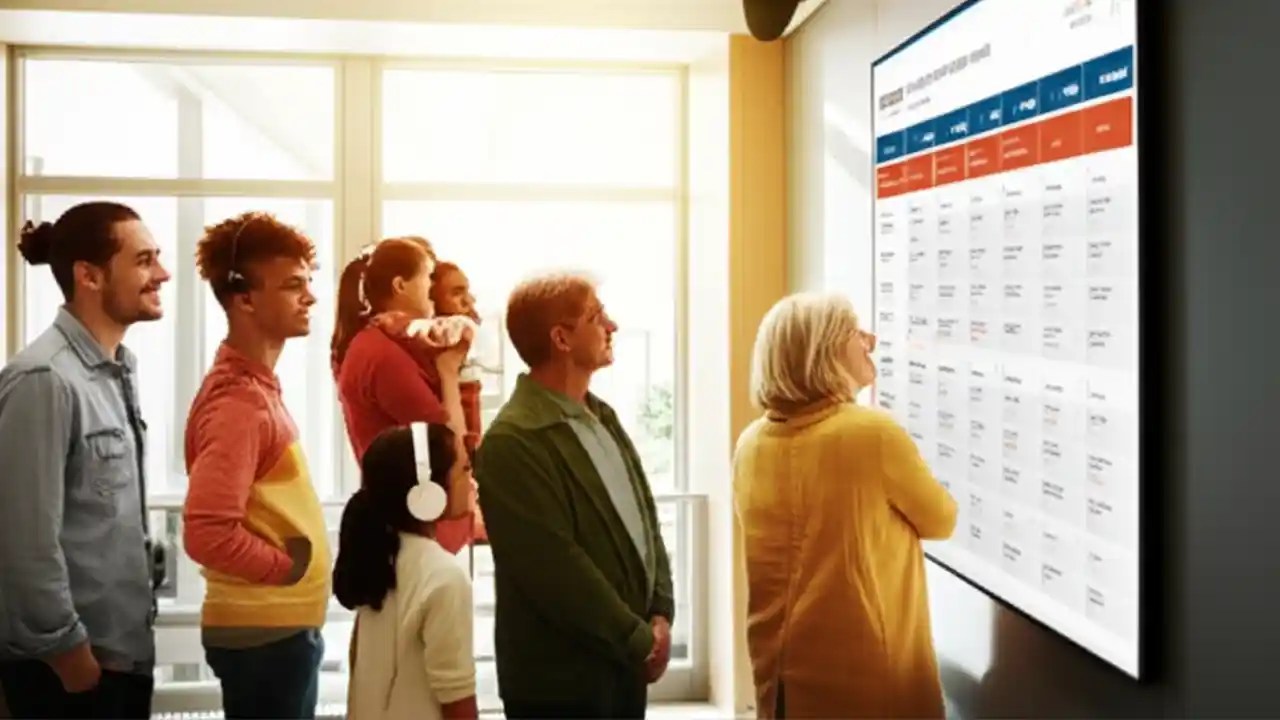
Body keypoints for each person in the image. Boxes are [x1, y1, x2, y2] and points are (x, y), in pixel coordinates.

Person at [733, 292, 957, 719]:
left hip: (781, 678)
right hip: (866, 683)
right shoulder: (870, 434)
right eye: (856, 332)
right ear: (826, 351)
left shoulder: (751, 444)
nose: (871, 340)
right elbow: (942, 519)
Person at [474, 272, 675, 720]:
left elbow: (645, 521)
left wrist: (661, 611)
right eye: (596, 316)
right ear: (561, 338)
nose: (612, 326)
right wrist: (639, 639)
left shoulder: (601, 415)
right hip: (561, 682)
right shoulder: (513, 440)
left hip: (621, 667)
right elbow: (554, 566)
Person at [0, 202, 170, 718]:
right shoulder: (44, 379)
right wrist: (67, 652)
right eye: (144, 260)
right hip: (71, 675)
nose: (162, 274)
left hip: (121, 661)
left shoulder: (117, 371)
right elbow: (23, 539)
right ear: (89, 276)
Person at [183, 211, 331, 719]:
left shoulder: (256, 389)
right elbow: (206, 532)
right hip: (266, 638)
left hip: (278, 633)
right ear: (244, 298)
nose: (309, 297)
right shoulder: (238, 403)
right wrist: (286, 569)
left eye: (307, 283)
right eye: (293, 285)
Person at [331, 238, 475, 553]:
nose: (433, 288)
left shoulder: (380, 345)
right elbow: (449, 443)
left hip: (417, 521)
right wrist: (448, 373)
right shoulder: (382, 355)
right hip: (417, 528)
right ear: (400, 285)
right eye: (428, 277)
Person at [335, 422, 478, 720]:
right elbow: (457, 701)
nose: (473, 480)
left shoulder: (376, 560)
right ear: (427, 491)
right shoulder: (444, 577)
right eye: (465, 469)